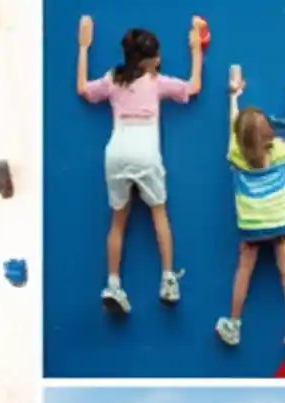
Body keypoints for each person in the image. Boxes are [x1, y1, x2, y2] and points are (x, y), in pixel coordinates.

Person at [76, 16, 203, 315]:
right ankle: (168, 278)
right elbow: (193, 87)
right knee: (159, 213)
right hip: (145, 153)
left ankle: (113, 283)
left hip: (117, 152)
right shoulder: (156, 82)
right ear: (149, 61)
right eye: (156, 56)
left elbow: (83, 89)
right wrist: (196, 49)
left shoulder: (113, 79)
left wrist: (83, 46)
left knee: (118, 221)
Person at [214, 66, 285, 348]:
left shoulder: (235, 153)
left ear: (240, 137)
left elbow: (233, 121)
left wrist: (234, 95)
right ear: (268, 134)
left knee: (243, 271)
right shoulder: (279, 150)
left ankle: (234, 325)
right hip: (280, 223)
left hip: (251, 227)